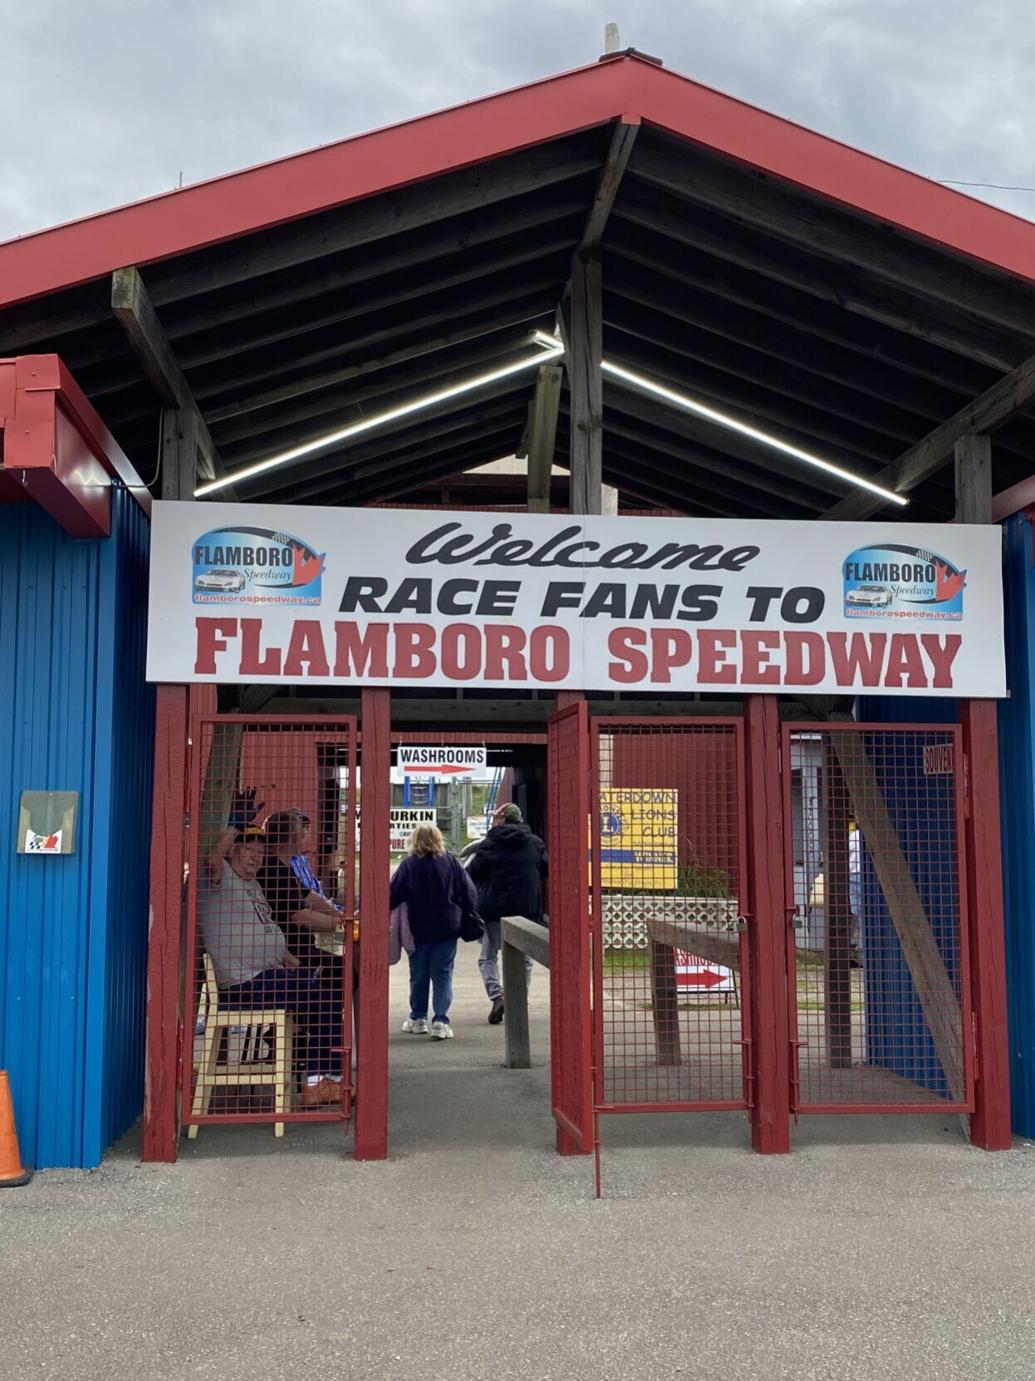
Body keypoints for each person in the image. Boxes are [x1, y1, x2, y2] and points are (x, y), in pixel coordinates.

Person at [198, 825, 343, 1108]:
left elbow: (262, 926)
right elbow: (212, 860)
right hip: (244, 984)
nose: (256, 857)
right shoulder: (221, 876)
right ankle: (319, 1080)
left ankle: (323, 1078)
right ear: (233, 852)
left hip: (269, 974)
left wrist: (285, 954)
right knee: (324, 998)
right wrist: (234, 827)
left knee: (323, 994)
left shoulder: (253, 884)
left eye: (261, 853)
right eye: (248, 850)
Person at [389, 823, 475, 1040]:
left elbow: (393, 895)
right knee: (443, 973)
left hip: (417, 928)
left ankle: (418, 1018)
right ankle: (441, 1021)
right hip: (447, 926)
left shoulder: (408, 865)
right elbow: (469, 892)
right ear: (438, 839)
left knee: (419, 974)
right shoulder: (451, 863)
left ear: (414, 840)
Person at [468, 803, 548, 1024]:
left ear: (504, 819)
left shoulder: (490, 844)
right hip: (526, 911)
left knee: (488, 956)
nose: (493, 821)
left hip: (494, 910)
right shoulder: (535, 842)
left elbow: (474, 873)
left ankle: (498, 996)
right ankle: (518, 998)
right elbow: (545, 869)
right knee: (525, 959)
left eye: (496, 817)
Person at [260, 810, 344, 970]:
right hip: (290, 956)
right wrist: (343, 926)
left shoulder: (283, 865)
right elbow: (301, 916)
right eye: (301, 833)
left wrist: (342, 916)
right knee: (348, 971)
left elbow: (308, 895)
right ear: (293, 839)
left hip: (301, 949)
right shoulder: (273, 869)